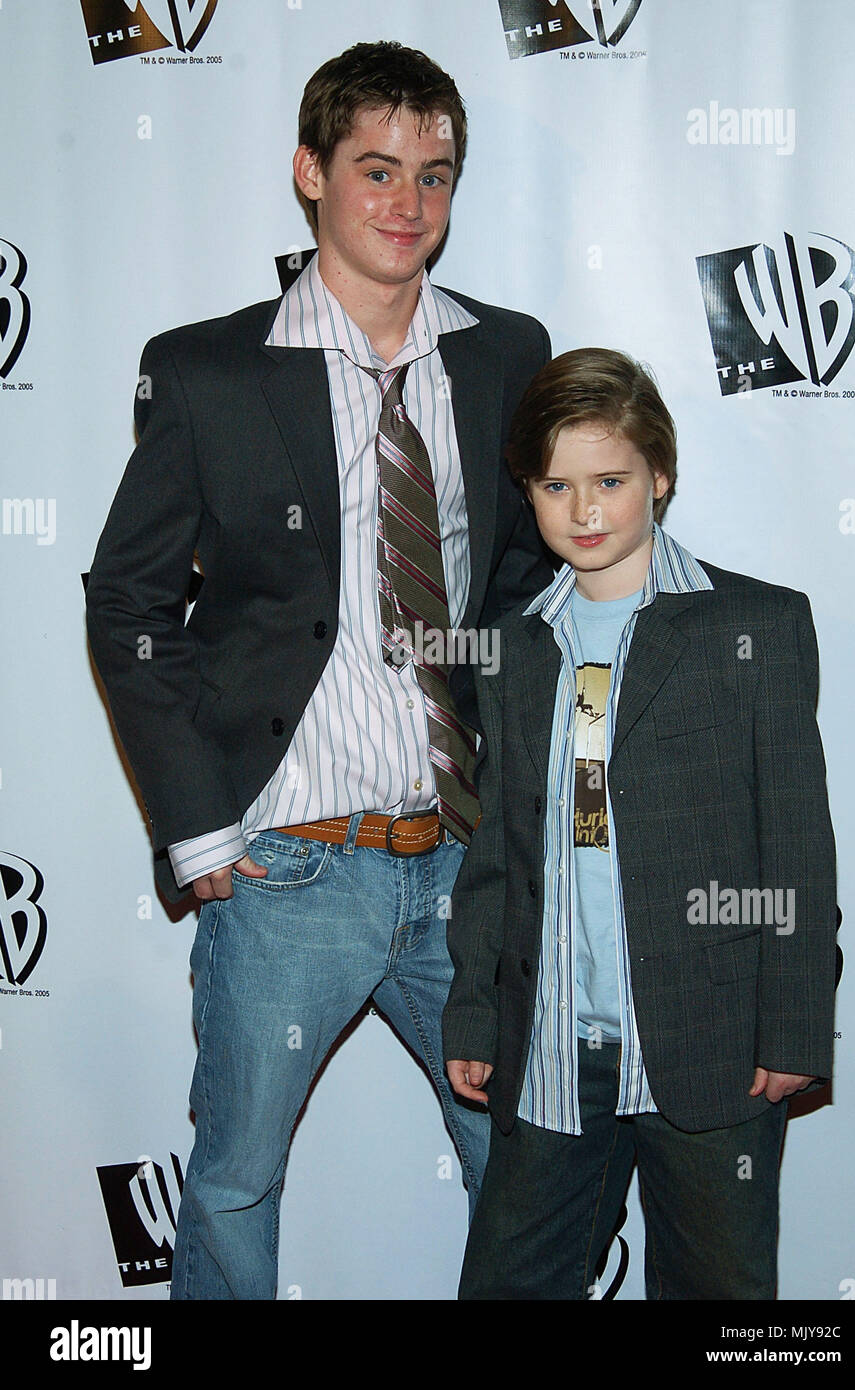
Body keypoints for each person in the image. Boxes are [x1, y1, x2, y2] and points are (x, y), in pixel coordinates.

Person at [85, 40, 554, 1300]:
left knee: (524, 1167)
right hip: (285, 866)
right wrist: (197, 830)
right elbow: (130, 600)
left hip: (464, 865)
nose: (409, 205)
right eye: (378, 170)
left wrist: (523, 793)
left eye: (436, 175)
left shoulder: (507, 355)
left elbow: (515, 584)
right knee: (234, 1183)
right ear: (312, 173)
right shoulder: (208, 370)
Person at [443, 347, 837, 1300]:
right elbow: (499, 850)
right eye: (555, 485)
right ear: (527, 492)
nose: (584, 512)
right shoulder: (513, 650)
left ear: (660, 476)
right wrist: (477, 1011)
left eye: (610, 481)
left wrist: (792, 1026)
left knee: (722, 1299)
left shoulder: (756, 626)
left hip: (711, 1046)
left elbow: (795, 845)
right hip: (547, 1048)